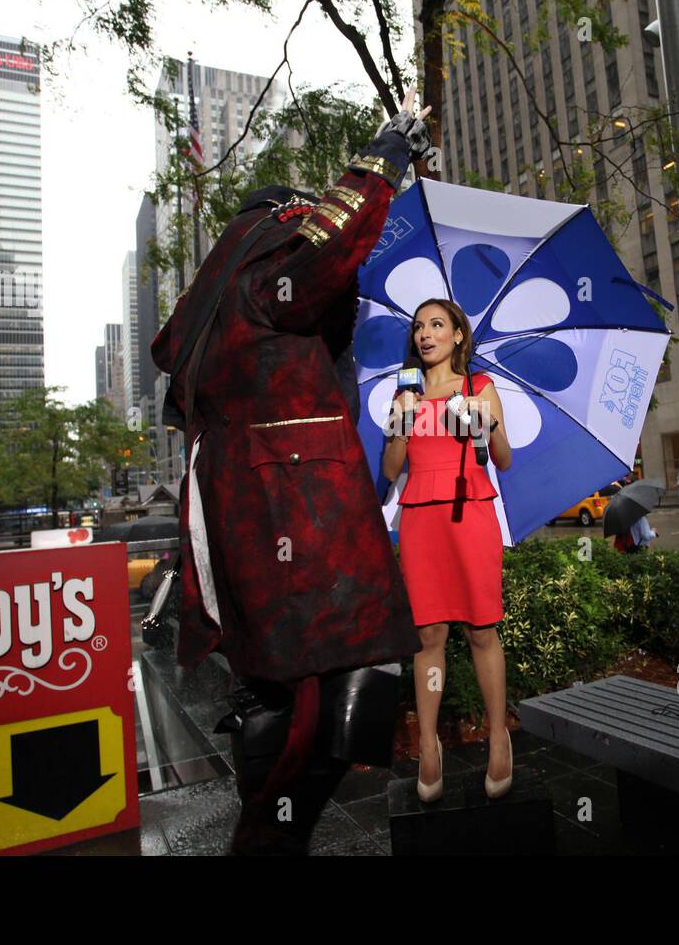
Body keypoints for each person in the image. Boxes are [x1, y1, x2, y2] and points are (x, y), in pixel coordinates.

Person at [149, 89, 434, 854]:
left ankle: (272, 824)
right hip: (298, 505)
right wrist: (381, 163)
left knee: (276, 677)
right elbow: (323, 254)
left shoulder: (205, 304)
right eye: (295, 211)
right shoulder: (263, 256)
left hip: (242, 508)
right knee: (355, 670)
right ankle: (272, 828)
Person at [381, 297, 514, 802]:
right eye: (418, 326)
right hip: (421, 518)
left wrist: (486, 426)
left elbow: (503, 460)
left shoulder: (482, 388)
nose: (424, 333)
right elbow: (392, 470)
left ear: (458, 334)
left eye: (437, 324)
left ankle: (498, 734)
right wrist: (402, 422)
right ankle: (430, 745)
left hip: (470, 513)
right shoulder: (405, 394)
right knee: (428, 634)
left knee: (482, 630)